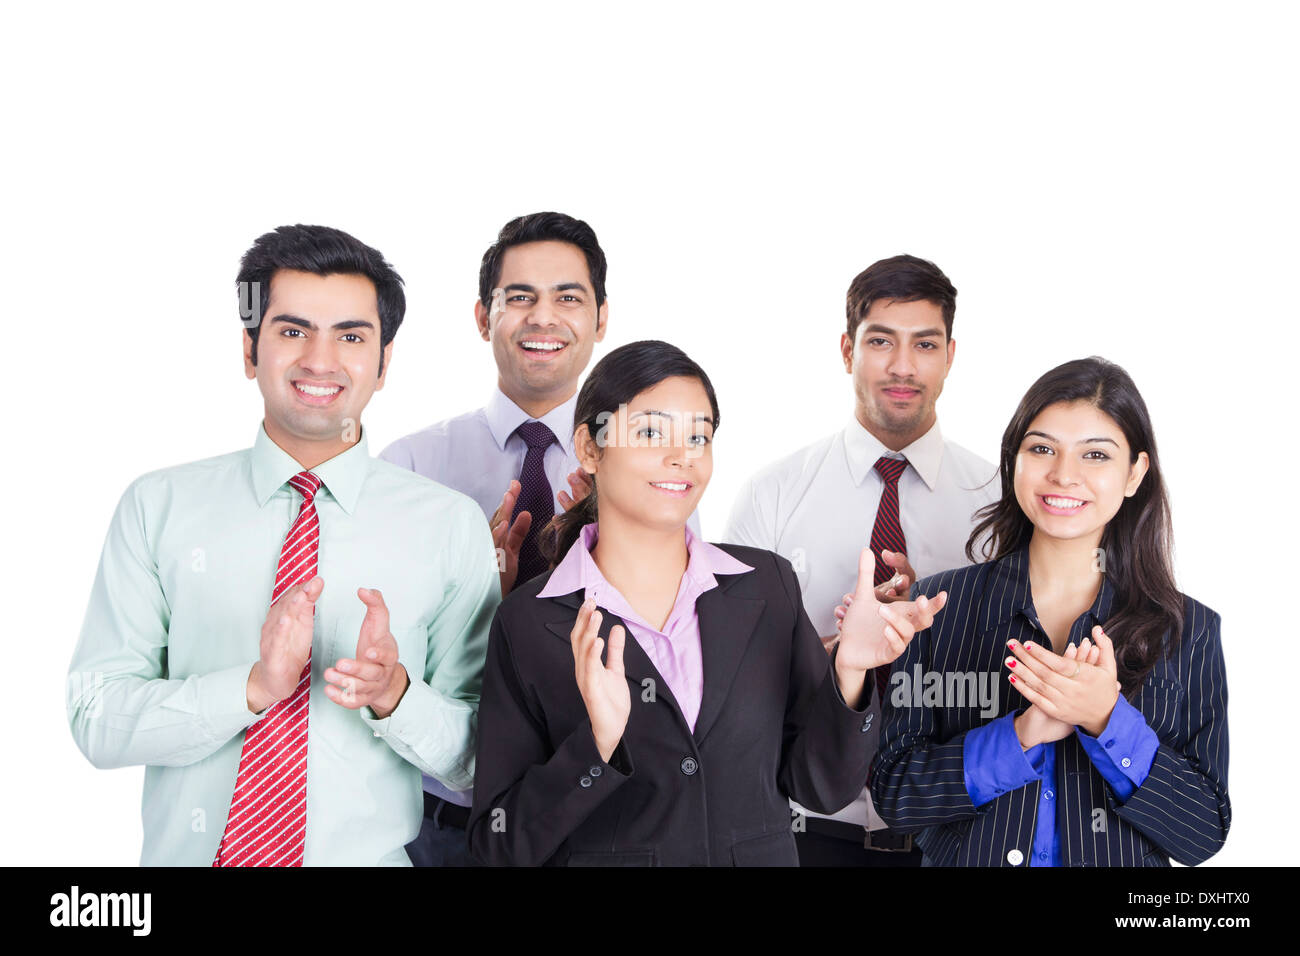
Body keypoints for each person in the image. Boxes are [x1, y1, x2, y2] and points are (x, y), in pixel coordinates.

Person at [66, 224, 500, 866]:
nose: (320, 361)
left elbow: (479, 763)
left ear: (383, 364)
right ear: (250, 350)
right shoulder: (158, 506)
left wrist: (396, 695)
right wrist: (250, 687)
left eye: (351, 336)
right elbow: (96, 718)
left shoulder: (449, 526)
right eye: (292, 331)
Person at [466, 340, 948, 866]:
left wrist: (850, 670)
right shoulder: (530, 621)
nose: (683, 456)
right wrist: (597, 747)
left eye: (699, 435)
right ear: (589, 448)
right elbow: (498, 843)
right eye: (651, 432)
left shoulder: (766, 585)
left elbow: (821, 789)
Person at [381, 212, 698, 864]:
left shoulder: (655, 471)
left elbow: (684, 658)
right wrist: (475, 595)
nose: (542, 317)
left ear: (602, 319)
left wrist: (613, 547)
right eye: (519, 297)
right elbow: (375, 647)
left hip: (603, 810)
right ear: (481, 316)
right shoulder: (409, 469)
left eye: (568, 297)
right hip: (443, 820)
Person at [868, 356, 1230, 866]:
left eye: (1096, 455)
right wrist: (1020, 735)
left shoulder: (1187, 630)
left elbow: (1202, 832)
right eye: (1042, 449)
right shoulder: (939, 608)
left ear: (1135, 474)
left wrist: (1107, 720)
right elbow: (896, 796)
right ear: (1014, 459)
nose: (1064, 475)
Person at [723, 254, 996, 865]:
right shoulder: (772, 496)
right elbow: (727, 680)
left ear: (951, 355)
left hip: (955, 839)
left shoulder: (1000, 503)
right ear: (847, 350)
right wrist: (839, 652)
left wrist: (940, 628)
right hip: (806, 836)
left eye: (925, 344)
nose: (903, 367)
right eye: (881, 341)